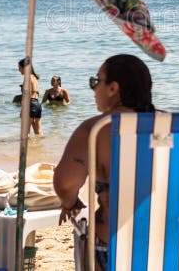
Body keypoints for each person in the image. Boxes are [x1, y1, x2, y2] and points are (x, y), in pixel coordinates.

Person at [53, 54, 156, 255]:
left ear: (112, 88)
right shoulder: (177, 128)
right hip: (174, 248)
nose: (93, 88)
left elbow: (65, 184)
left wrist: (70, 202)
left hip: (114, 250)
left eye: (96, 81)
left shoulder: (97, 128)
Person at [18, 58, 42, 135]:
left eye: (19, 68)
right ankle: (39, 146)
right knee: (38, 132)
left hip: (30, 104)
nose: (19, 70)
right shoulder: (34, 77)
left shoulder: (27, 77)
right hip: (37, 104)